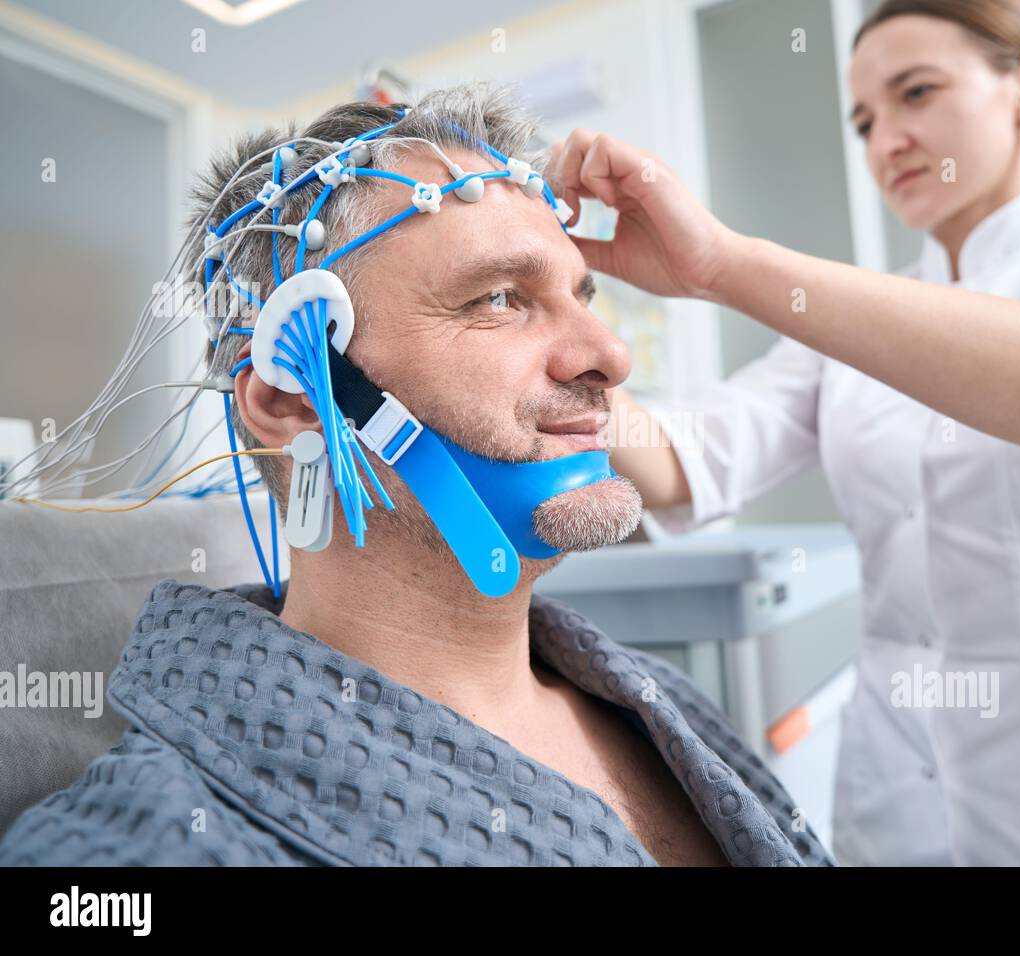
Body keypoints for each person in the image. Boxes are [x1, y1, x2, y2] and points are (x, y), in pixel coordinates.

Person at [0, 85, 832, 868]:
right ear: (297, 399)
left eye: (585, 298)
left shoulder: (660, 706)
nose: (610, 358)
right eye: (500, 298)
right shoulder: (146, 843)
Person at [549, 0, 1020, 865]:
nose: (886, 141)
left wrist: (724, 267)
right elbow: (676, 460)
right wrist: (552, 319)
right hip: (897, 804)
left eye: (916, 93)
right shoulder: (846, 329)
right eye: (864, 119)